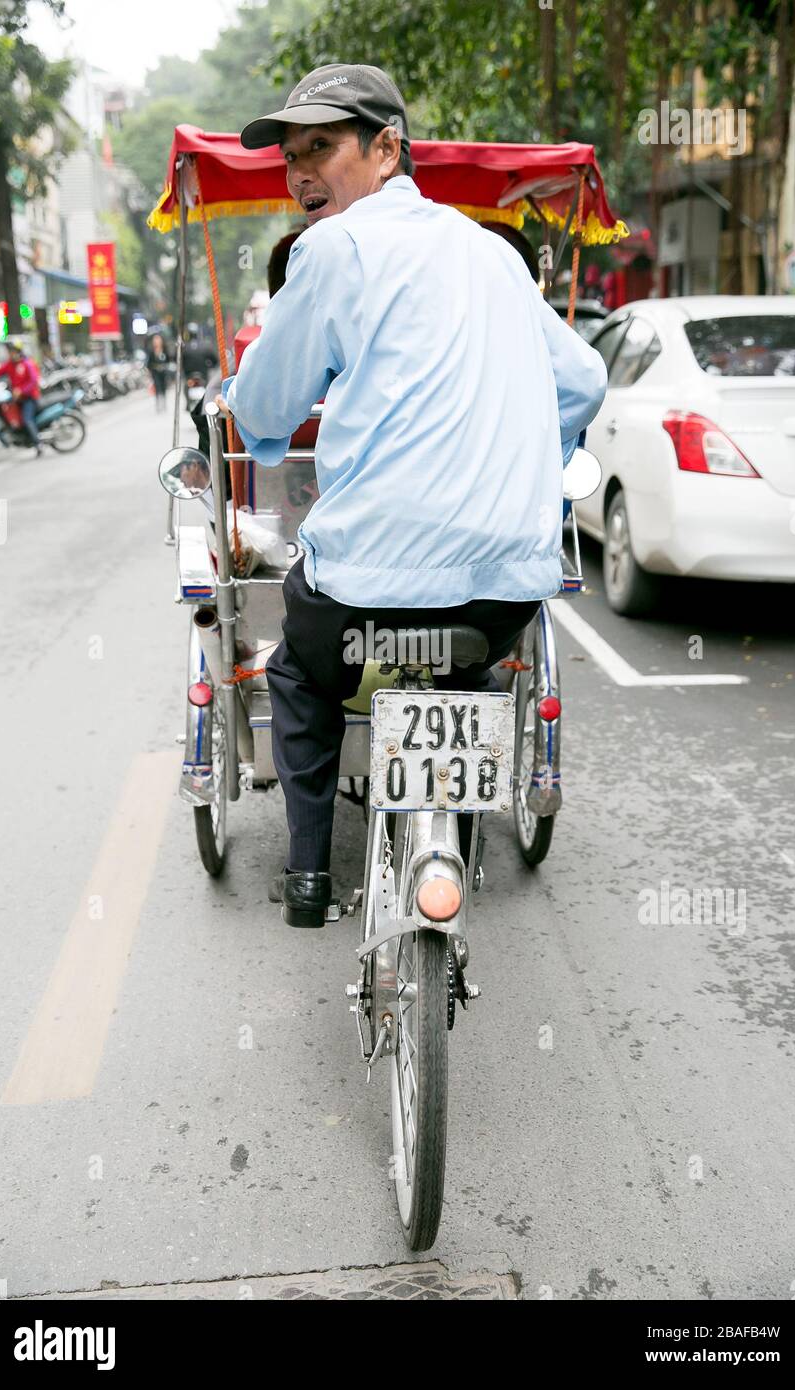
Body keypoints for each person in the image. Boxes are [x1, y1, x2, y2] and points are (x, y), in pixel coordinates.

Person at [220, 63, 607, 928]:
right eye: (291, 157)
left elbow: (267, 405)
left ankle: (311, 874)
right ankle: (456, 838)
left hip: (363, 597)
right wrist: (526, 464)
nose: (301, 173)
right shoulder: (491, 256)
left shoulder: (333, 248)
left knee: (297, 671)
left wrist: (259, 414)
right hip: (506, 592)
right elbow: (581, 380)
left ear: (388, 148)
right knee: (472, 679)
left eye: (322, 147)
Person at [0, 340, 42, 456]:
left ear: (18, 352)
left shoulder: (27, 364)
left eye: (12, 352)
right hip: (17, 399)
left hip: (29, 398)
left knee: (27, 419)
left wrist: (22, 390)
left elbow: (34, 381)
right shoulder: (10, 364)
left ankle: (38, 443)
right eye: (10, 352)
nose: (11, 354)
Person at [146, 332, 170, 412]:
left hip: (164, 372)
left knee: (163, 388)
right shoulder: (151, 351)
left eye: (158, 340)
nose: (157, 341)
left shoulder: (165, 350)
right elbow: (149, 364)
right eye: (155, 340)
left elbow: (169, 360)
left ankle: (164, 403)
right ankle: (158, 404)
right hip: (155, 373)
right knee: (158, 387)